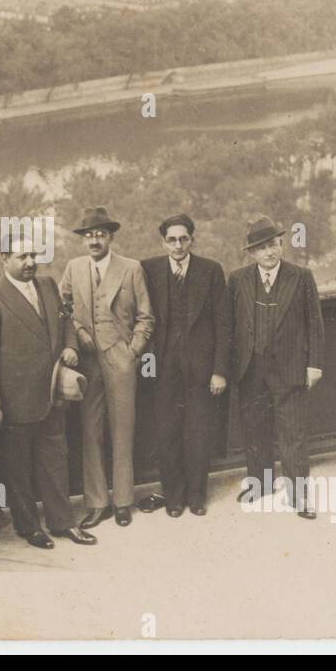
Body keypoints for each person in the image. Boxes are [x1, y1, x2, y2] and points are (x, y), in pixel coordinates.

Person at [0, 238, 98, 549]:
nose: (30, 261)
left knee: (55, 461)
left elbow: (65, 320)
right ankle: (29, 527)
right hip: (15, 402)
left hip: (52, 395)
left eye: (33, 255)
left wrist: (69, 345)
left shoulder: (48, 285)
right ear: (4, 259)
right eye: (21, 256)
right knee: (19, 469)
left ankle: (62, 523)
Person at [58, 206, 154, 528]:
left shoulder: (131, 268)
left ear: (111, 237)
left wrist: (133, 351)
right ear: (83, 241)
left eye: (100, 234)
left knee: (123, 430)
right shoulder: (73, 268)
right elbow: (64, 309)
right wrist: (79, 333)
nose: (94, 240)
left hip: (120, 359)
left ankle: (123, 501)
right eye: (89, 235)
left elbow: (146, 318)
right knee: (90, 431)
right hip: (87, 362)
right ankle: (98, 503)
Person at [228, 216, 325, 519]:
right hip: (250, 368)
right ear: (251, 254)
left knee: (292, 432)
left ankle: (299, 496)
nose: (269, 252)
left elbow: (315, 325)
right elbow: (229, 326)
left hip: (290, 367)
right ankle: (261, 485)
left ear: (281, 245)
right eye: (261, 248)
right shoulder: (238, 279)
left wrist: (314, 365)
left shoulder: (301, 277)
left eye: (273, 245)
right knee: (255, 429)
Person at [139, 214, 232, 517]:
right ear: (162, 242)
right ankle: (174, 496)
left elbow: (223, 324)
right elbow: (141, 319)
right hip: (163, 366)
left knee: (198, 431)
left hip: (201, 368)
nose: (178, 245)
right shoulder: (148, 269)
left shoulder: (211, 271)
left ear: (192, 239)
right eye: (172, 240)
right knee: (167, 431)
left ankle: (197, 496)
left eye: (184, 239)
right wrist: (148, 366)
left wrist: (219, 370)